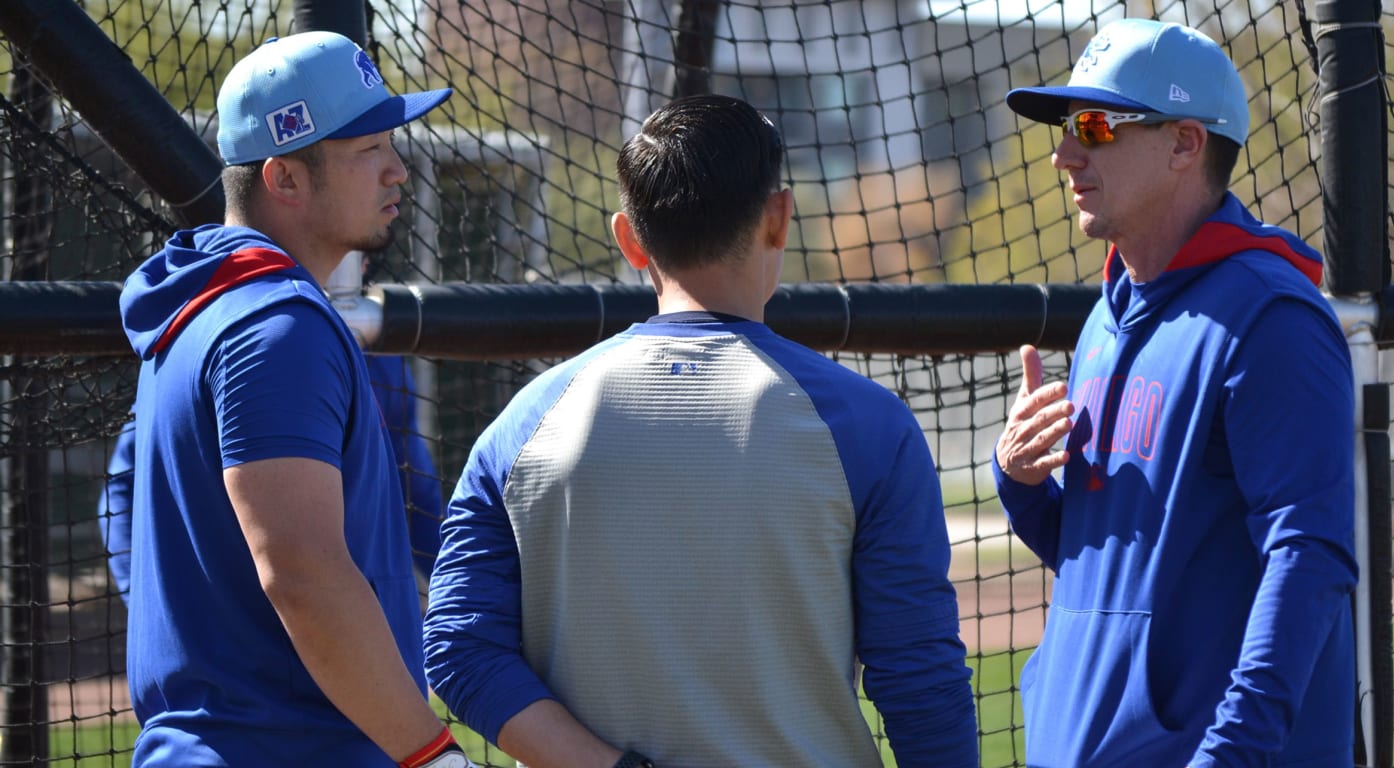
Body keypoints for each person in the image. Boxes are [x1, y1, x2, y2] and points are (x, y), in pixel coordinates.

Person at [422, 94, 979, 767]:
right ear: (779, 219)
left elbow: (458, 646)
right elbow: (918, 680)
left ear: (629, 240)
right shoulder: (868, 425)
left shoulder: (523, 424)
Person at [993, 18, 1358, 768]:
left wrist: (1232, 755)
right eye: (1066, 127)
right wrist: (1020, 483)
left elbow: (1311, 559)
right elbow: (1109, 563)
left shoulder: (1272, 318)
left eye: (1093, 125)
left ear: (1186, 143)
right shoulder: (1107, 316)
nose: (1065, 152)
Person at [117, 31, 473, 767]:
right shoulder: (274, 327)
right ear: (284, 178)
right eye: (367, 150)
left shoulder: (205, 309)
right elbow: (304, 574)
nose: (398, 171)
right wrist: (433, 755)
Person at [97, 353, 444, 596]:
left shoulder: (380, 357)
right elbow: (123, 489)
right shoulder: (228, 338)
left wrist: (457, 594)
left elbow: (417, 495)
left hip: (356, 618)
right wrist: (147, 602)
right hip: (234, 630)